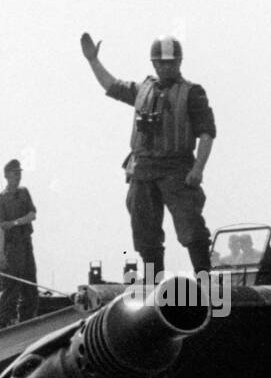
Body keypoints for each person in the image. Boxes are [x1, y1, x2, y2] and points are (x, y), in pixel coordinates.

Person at [81, 32, 216, 281]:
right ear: (153, 64)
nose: (167, 67)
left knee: (191, 225)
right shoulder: (143, 89)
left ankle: (205, 280)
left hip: (177, 168)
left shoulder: (193, 93)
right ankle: (154, 283)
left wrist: (198, 169)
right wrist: (93, 61)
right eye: (161, 63)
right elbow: (111, 85)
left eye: (172, 62)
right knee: (144, 230)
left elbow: (207, 134)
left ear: (179, 62)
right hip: (142, 169)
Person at [0, 160, 38, 327]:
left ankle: (27, 321)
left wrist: (15, 223)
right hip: (12, 247)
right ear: (7, 175)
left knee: (30, 284)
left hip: (26, 243)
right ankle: (2, 321)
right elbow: (1, 229)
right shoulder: (1, 199)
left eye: (20, 173)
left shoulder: (24, 192)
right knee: (11, 285)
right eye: (15, 173)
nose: (18, 177)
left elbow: (32, 215)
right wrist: (0, 254)